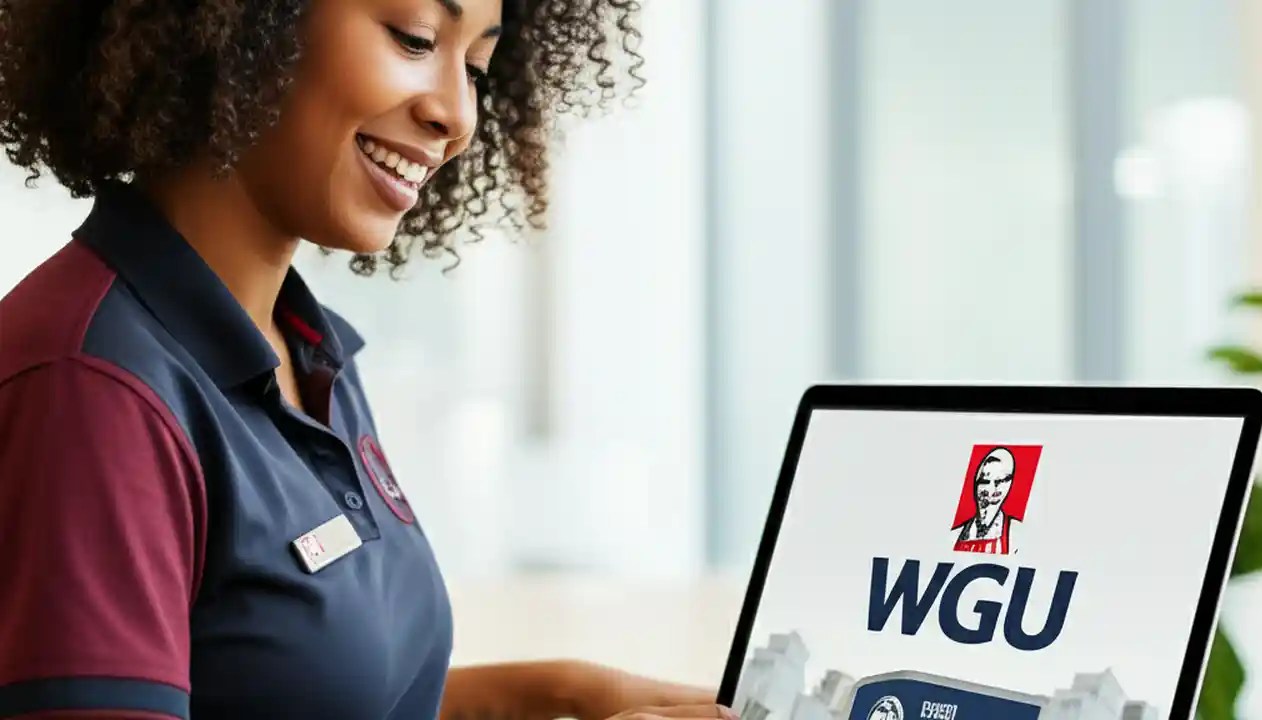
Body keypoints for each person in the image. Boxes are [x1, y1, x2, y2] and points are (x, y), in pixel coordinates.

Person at [0, 1, 732, 719]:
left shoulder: (309, 357)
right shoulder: (93, 392)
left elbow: (307, 694)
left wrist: (565, 696)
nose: (458, 114)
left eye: (476, 66)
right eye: (416, 39)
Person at [952, 447, 1016, 554]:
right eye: (985, 482)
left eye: (999, 481)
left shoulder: (1016, 533)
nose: (990, 490)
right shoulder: (955, 535)